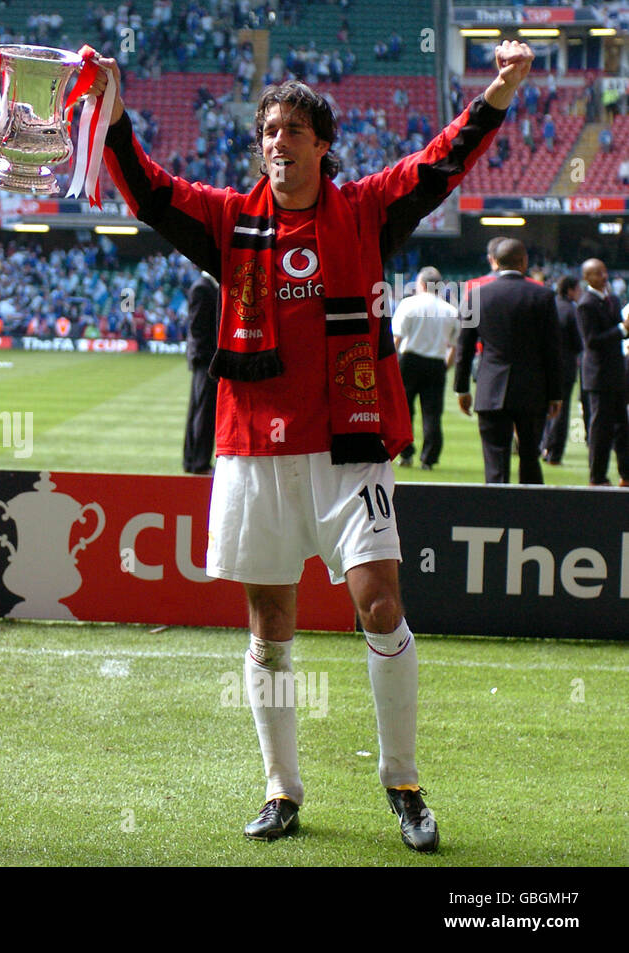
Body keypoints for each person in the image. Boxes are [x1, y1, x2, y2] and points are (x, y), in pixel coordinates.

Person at [92, 39, 534, 852]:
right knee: (268, 623)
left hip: (349, 444)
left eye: (293, 129)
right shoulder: (228, 221)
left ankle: (401, 781)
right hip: (253, 445)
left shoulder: (364, 208)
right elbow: (152, 195)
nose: (277, 141)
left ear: (321, 144)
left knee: (381, 602)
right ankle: (281, 789)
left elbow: (440, 164)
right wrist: (115, 114)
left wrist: (499, 91)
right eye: (268, 129)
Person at [453, 239, 562, 485]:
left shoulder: (476, 296)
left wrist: (462, 388)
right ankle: (531, 516)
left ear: (495, 262)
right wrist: (555, 394)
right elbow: (552, 349)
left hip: (490, 388)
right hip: (533, 391)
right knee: (530, 458)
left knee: (495, 464)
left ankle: (497, 519)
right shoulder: (543, 296)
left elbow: (465, 347)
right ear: (524, 262)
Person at [392, 267, 459, 471]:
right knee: (432, 413)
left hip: (409, 361)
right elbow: (455, 348)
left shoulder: (409, 304)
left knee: (404, 411)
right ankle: (428, 459)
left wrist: (392, 367)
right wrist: (444, 367)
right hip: (435, 363)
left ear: (420, 284)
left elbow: (397, 339)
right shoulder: (450, 311)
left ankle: (406, 454)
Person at [575, 258, 629, 486]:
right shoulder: (585, 304)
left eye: (604, 272)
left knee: (622, 427)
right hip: (598, 376)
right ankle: (597, 477)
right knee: (600, 430)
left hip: (616, 372)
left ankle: (626, 474)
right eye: (598, 273)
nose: (604, 276)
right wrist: (621, 328)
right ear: (587, 278)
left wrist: (623, 330)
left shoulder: (612, 299)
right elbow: (591, 341)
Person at [541, 276, 583, 466]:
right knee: (561, 410)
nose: (580, 292)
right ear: (570, 290)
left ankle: (542, 445)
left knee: (543, 408)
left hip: (543, 365)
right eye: (578, 289)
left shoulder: (548, 306)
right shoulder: (571, 311)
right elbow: (578, 343)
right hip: (564, 367)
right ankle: (554, 453)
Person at [183, 270, 219, 475]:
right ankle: (199, 463)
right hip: (205, 360)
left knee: (198, 411)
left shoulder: (204, 287)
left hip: (203, 359)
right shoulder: (203, 288)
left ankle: (193, 460)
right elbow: (197, 329)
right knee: (204, 412)